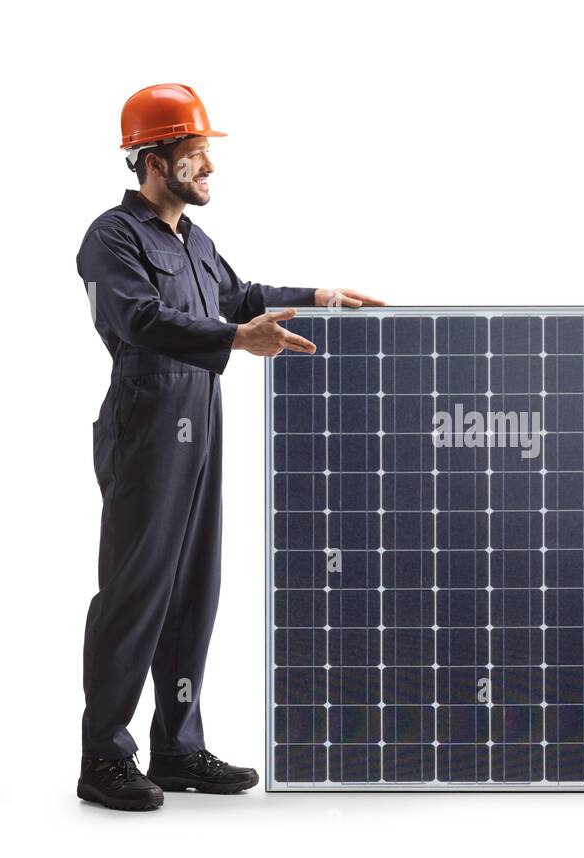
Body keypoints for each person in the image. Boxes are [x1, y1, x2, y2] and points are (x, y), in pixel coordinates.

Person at [75, 83, 384, 810]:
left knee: (194, 588)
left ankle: (178, 748)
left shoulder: (195, 240)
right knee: (136, 590)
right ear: (152, 159)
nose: (208, 163)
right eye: (194, 151)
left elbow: (238, 297)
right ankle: (103, 758)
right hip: (146, 421)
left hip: (200, 418)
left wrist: (319, 294)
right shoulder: (111, 238)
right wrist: (235, 341)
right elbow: (141, 320)